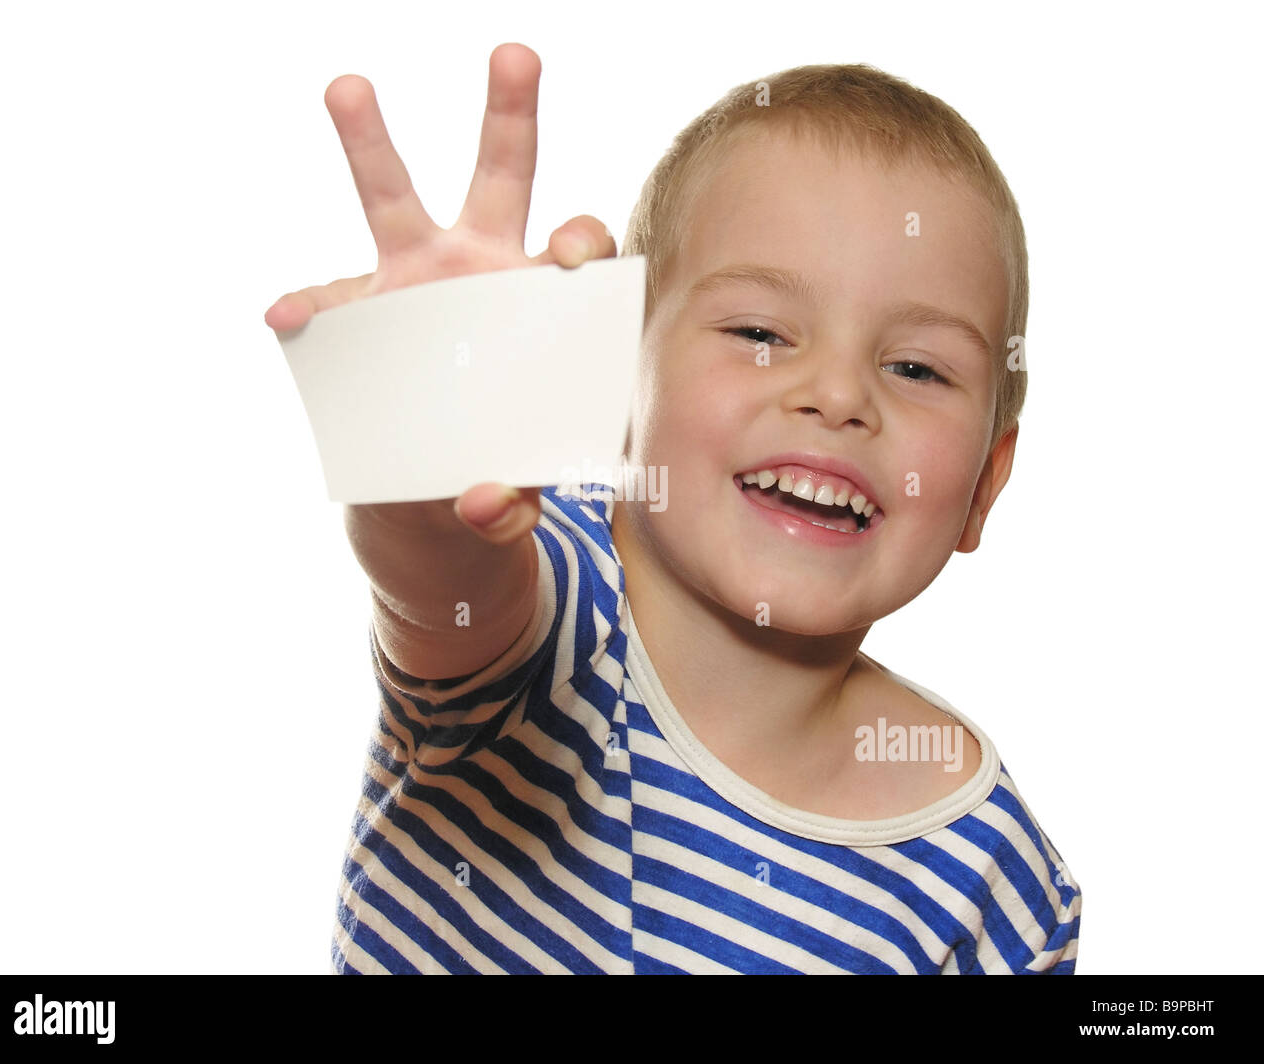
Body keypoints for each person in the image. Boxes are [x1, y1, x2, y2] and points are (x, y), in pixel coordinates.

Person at [265, 43, 1081, 974]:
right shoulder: (558, 604)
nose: (839, 393)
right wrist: (438, 429)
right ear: (619, 377)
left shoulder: (991, 878)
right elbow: (442, 578)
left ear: (983, 486)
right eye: (759, 333)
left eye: (915, 368)